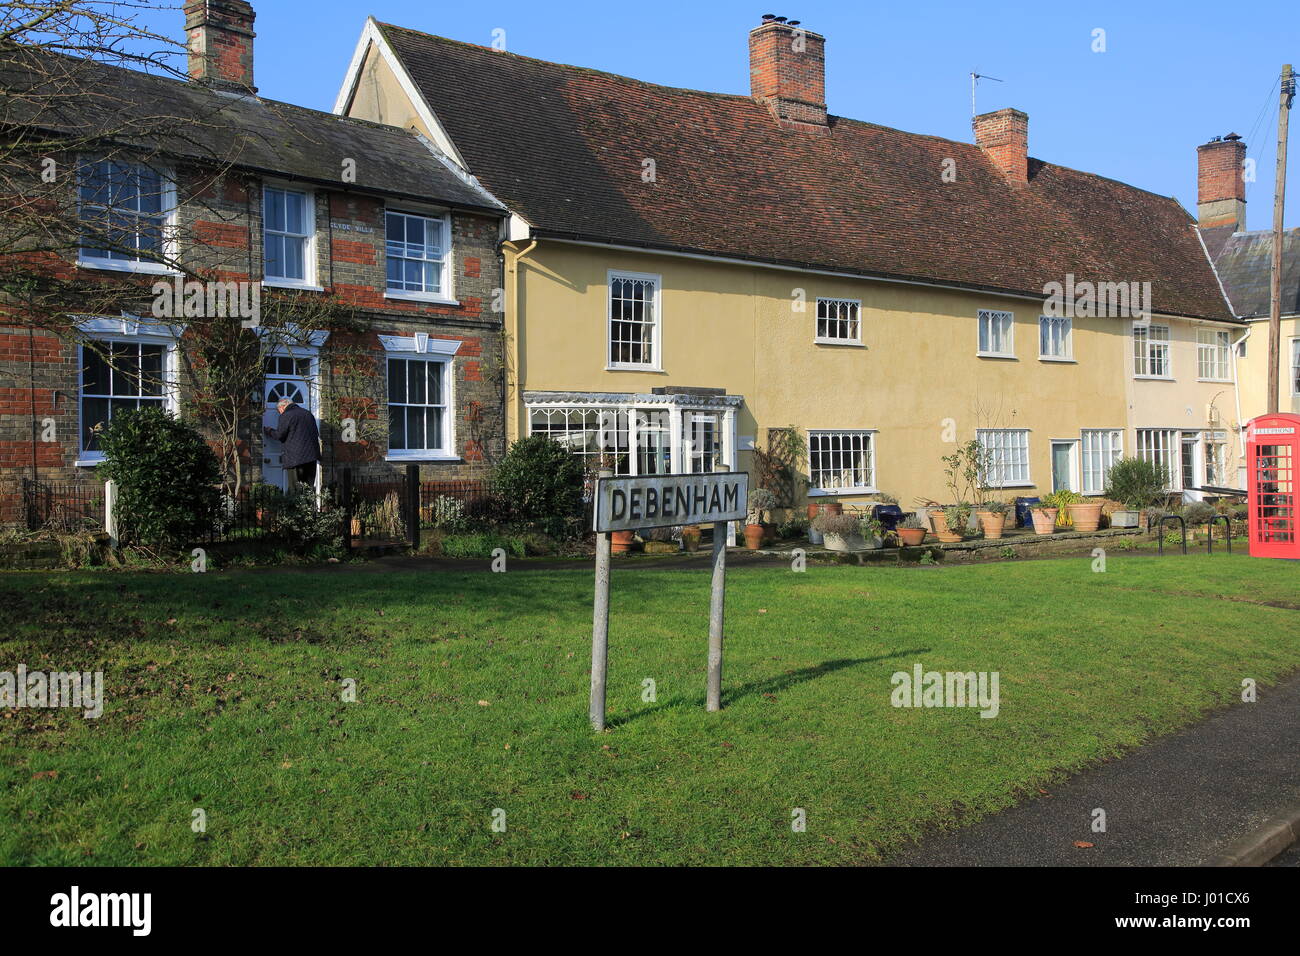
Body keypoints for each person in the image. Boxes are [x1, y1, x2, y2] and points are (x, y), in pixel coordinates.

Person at [264, 397, 320, 489]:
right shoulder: (308, 414)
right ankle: (309, 504)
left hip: (295, 459)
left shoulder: (286, 415)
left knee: (295, 488)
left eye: (279, 411)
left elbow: (279, 435)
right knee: (309, 488)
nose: (280, 413)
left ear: (282, 407)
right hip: (311, 457)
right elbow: (315, 433)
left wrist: (269, 430)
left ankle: (296, 503)